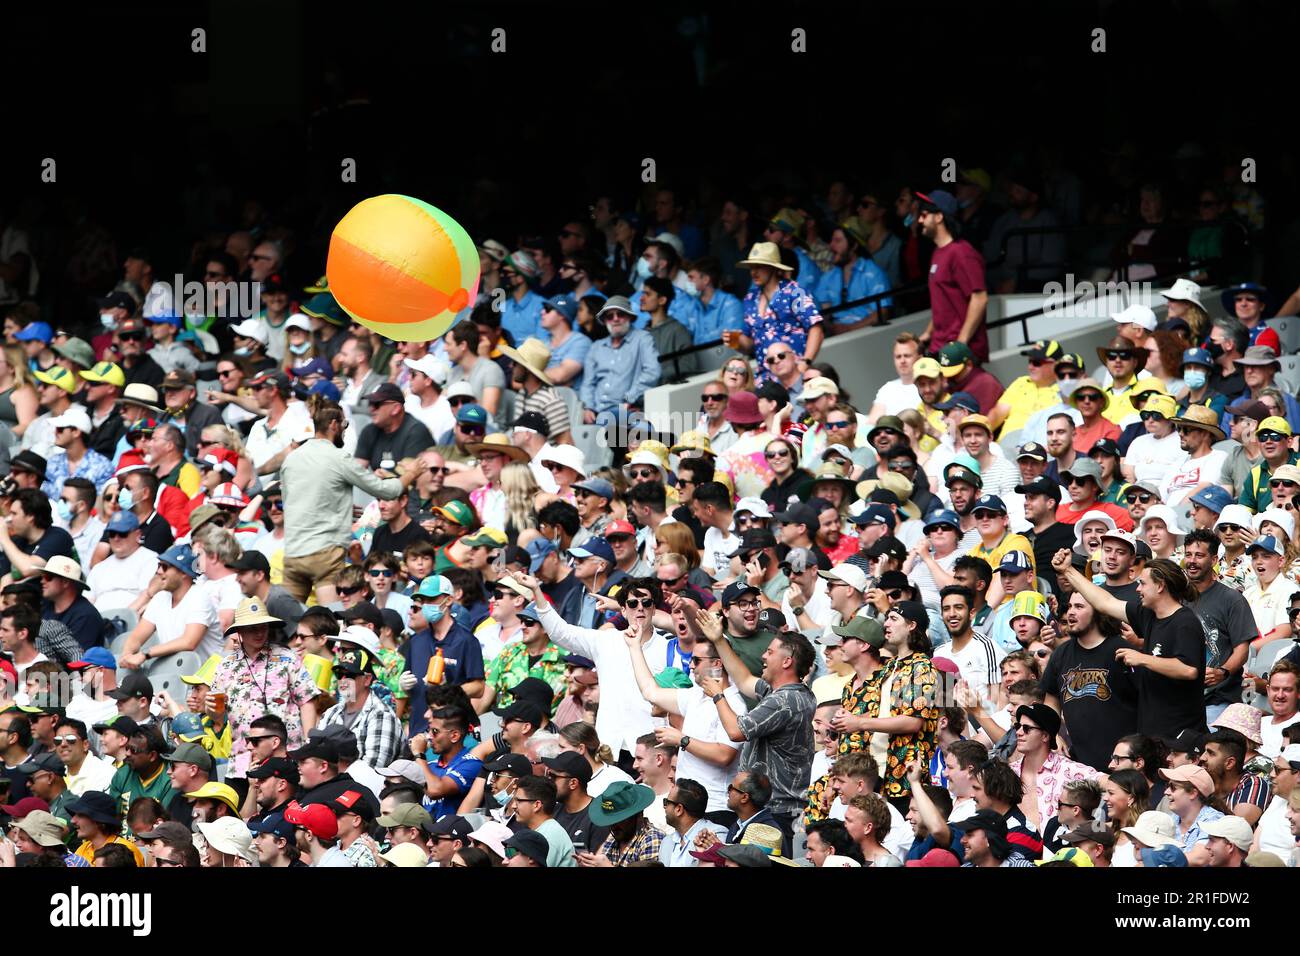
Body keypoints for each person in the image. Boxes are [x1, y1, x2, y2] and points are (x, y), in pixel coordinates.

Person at [280, 401, 427, 605]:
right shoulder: (339, 457)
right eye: (345, 425)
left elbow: (291, 502)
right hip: (325, 554)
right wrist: (412, 473)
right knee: (331, 620)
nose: (345, 431)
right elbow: (387, 490)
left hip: (293, 553)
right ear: (333, 424)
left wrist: (337, 510)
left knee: (288, 625)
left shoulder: (292, 459)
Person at [1052, 549, 1204, 739]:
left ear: (1160, 586)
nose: (1137, 589)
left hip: (1180, 733)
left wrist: (1142, 659)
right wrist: (1068, 570)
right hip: (1152, 731)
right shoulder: (1149, 615)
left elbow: (1188, 669)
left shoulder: (1185, 621)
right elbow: (1105, 602)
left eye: (1142, 583)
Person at [698, 608, 816, 850]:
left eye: (770, 652)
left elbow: (735, 731)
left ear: (786, 661)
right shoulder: (785, 693)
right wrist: (719, 640)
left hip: (776, 813)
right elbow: (743, 679)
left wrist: (718, 695)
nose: (763, 656)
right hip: (769, 811)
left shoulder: (785, 701)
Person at [624, 629, 745, 817]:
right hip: (687, 805)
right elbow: (650, 692)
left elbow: (725, 755)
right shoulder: (696, 695)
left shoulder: (734, 703)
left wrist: (683, 740)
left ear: (717, 664)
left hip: (715, 808)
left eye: (696, 660)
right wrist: (634, 647)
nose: (690, 665)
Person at [1038, 590, 1137, 771]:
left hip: (1121, 764)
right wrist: (1053, 734)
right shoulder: (1061, 654)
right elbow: (1051, 702)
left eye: (1079, 606)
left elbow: (1143, 701)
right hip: (1079, 764)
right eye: (1069, 607)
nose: (1071, 612)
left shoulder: (1120, 650)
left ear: (1098, 611)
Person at [913, 190, 988, 361]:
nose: (919, 220)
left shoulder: (961, 252)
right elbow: (944, 301)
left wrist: (961, 342)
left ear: (939, 217)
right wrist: (928, 333)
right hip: (940, 346)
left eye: (924, 215)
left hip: (959, 352)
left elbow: (980, 298)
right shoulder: (938, 252)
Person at [579, 297, 660, 423]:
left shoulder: (643, 338)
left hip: (628, 410)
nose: (615, 319)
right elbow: (588, 383)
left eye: (620, 314)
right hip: (597, 413)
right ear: (605, 321)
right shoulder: (596, 347)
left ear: (629, 317)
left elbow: (653, 372)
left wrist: (629, 399)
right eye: (610, 316)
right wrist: (588, 407)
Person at [580, 780, 665, 867]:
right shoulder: (614, 836)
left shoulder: (652, 839)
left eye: (620, 819)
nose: (613, 825)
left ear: (638, 815)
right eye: (610, 820)